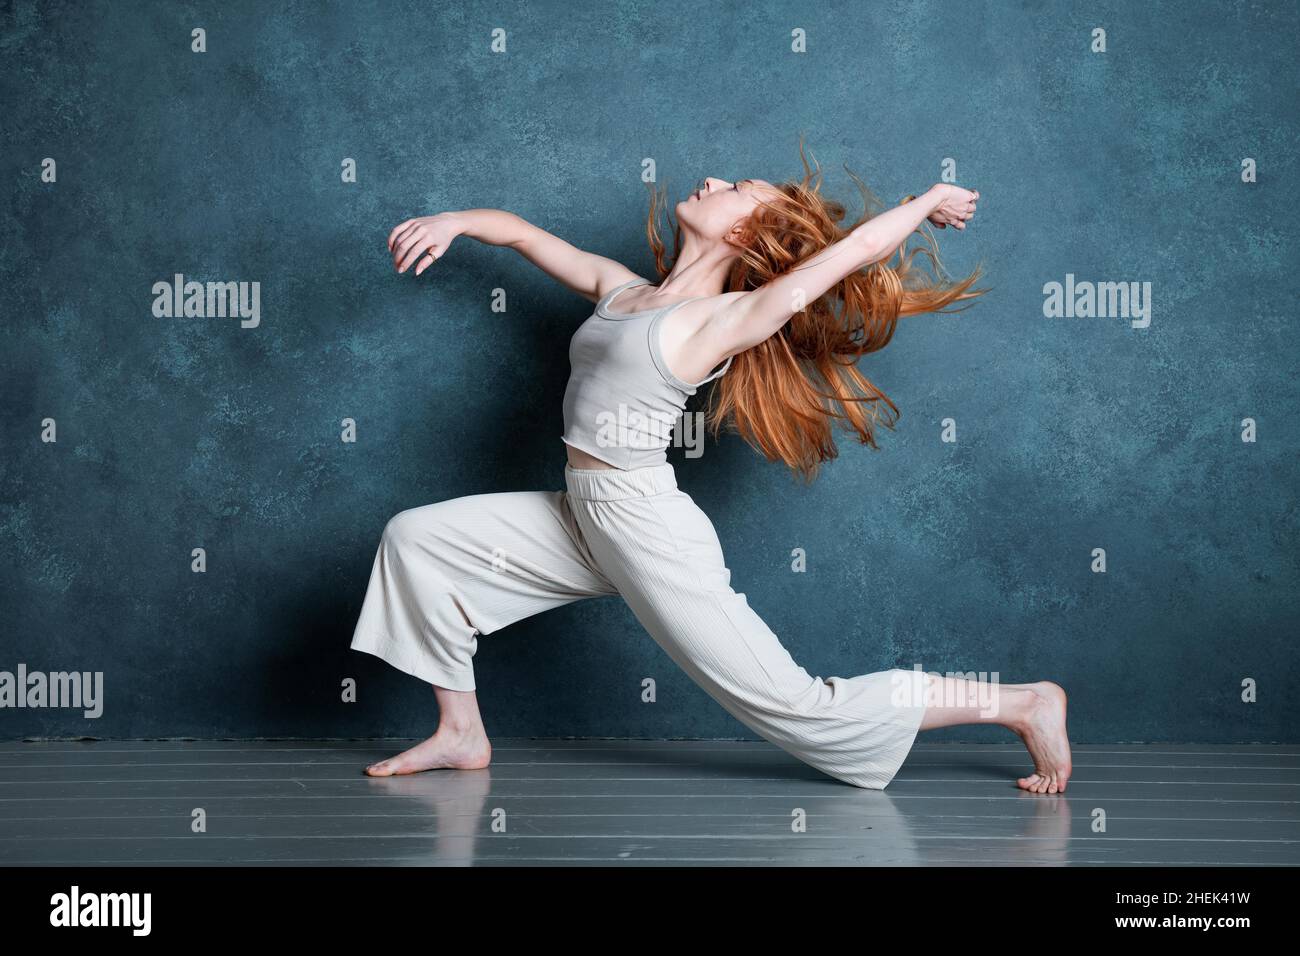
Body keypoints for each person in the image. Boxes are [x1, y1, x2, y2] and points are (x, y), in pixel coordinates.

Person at [351, 144, 1072, 794]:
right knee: (418, 540)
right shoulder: (625, 291)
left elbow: (850, 253)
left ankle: (1021, 703)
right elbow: (524, 235)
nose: (711, 179)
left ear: (743, 234)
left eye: (735, 186)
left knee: (799, 707)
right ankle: (462, 733)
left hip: (644, 526)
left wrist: (924, 202)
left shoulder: (723, 320)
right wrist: (454, 220)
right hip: (583, 512)